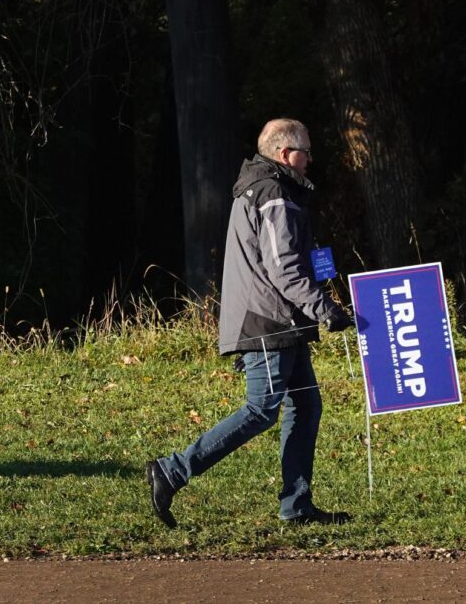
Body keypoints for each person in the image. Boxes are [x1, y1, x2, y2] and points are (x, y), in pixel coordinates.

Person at [146, 118, 355, 528]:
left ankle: (296, 505)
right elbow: (283, 269)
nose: (310, 158)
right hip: (268, 322)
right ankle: (172, 471)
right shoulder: (272, 193)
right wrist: (324, 308)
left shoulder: (274, 190)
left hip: (281, 322)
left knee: (306, 406)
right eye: (306, 151)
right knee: (261, 410)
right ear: (285, 154)